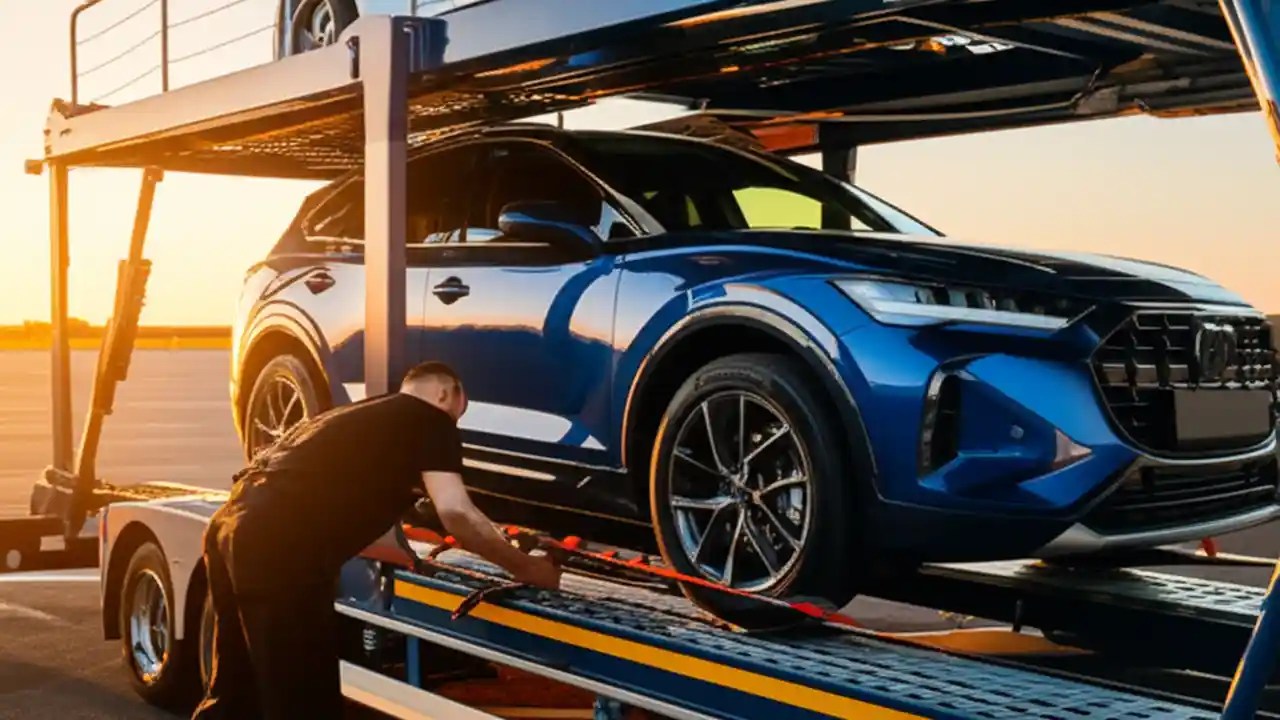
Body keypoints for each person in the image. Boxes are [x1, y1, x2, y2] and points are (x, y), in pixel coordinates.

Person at [192, 361, 561, 720]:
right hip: (279, 547)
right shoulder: (430, 418)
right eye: (458, 415)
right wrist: (528, 568)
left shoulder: (356, 417)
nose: (455, 427)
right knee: (301, 700)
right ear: (446, 393)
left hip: (230, 527)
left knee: (235, 692)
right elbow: (457, 512)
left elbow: (379, 505)